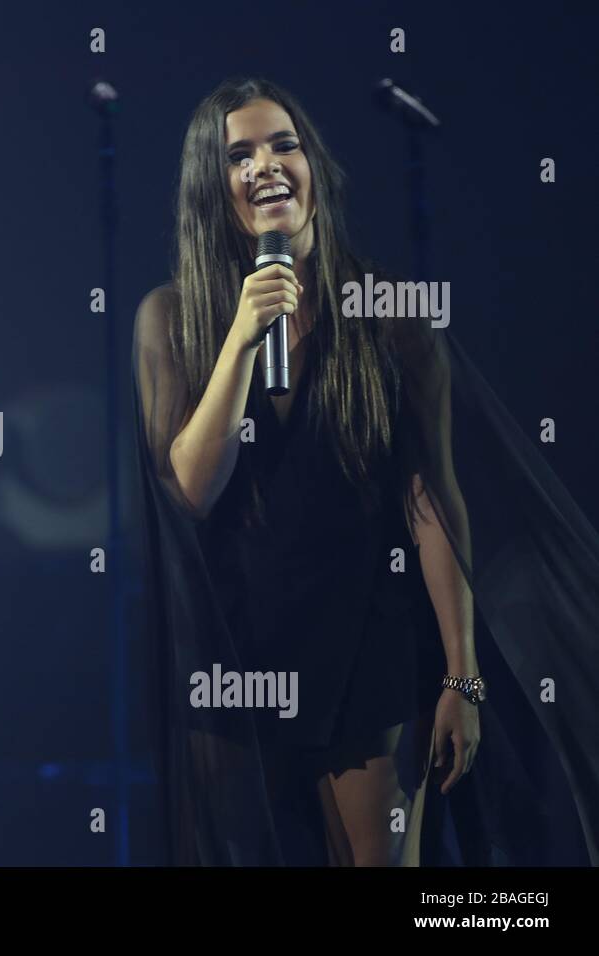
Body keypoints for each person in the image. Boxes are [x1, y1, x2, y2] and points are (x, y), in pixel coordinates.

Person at [133, 76, 599, 866]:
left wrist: (464, 677)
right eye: (238, 154)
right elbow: (191, 487)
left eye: (284, 144)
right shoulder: (173, 317)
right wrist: (242, 338)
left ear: (314, 162)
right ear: (210, 187)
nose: (266, 165)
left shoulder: (390, 313)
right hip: (238, 660)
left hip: (369, 646)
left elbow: (432, 501)